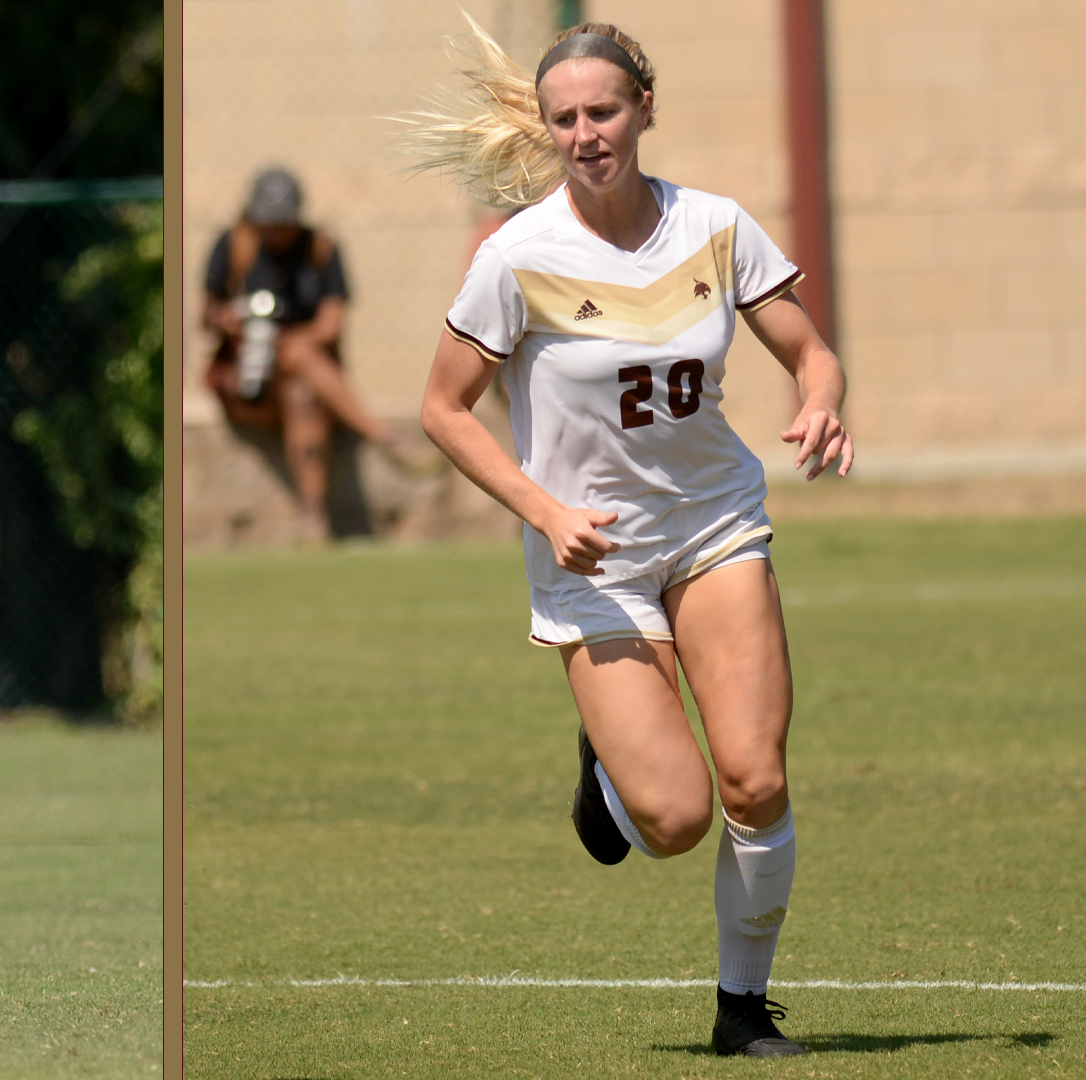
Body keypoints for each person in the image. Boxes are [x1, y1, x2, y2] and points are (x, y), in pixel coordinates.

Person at [414, 23, 853, 1057]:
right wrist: (545, 509)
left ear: (644, 106)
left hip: (715, 531)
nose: (584, 134)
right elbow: (443, 409)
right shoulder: (516, 254)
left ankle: (742, 1011)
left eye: (602, 112)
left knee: (756, 781)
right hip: (593, 557)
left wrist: (823, 399)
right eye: (564, 118)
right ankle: (610, 766)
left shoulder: (716, 226)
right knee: (676, 817)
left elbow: (812, 350)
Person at [202, 168, 419, 542]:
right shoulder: (233, 244)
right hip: (247, 384)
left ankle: (313, 514)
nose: (275, 233)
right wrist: (232, 320)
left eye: (282, 224)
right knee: (300, 356)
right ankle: (378, 432)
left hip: (300, 381)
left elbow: (331, 324)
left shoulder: (320, 248)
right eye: (267, 224)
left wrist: (286, 342)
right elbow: (206, 315)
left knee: (302, 383)